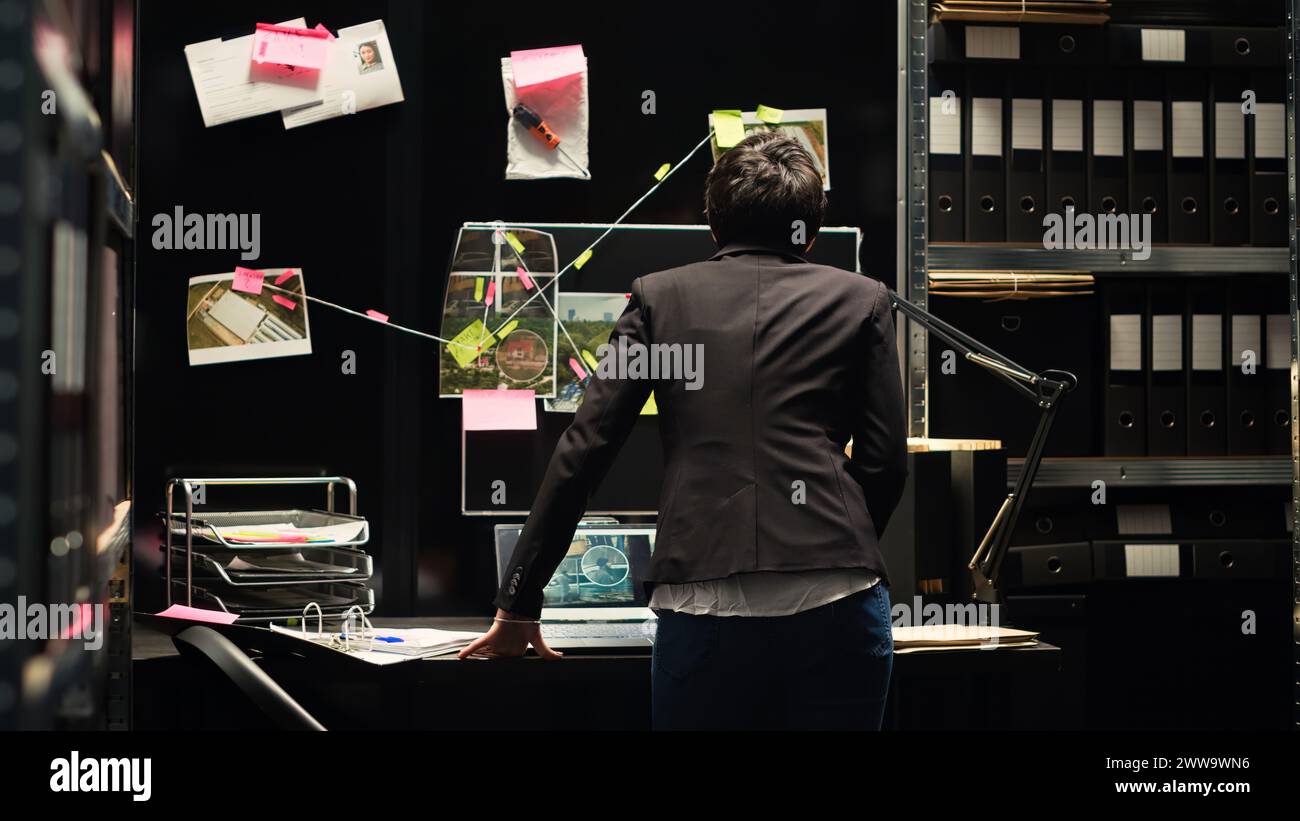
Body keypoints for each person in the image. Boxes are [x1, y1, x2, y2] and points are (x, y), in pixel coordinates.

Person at [459, 132, 909, 731]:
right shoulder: (863, 300)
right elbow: (883, 462)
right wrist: (833, 542)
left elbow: (585, 451)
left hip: (703, 604)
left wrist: (519, 600)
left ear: (713, 223)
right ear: (812, 229)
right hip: (838, 603)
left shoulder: (659, 300)